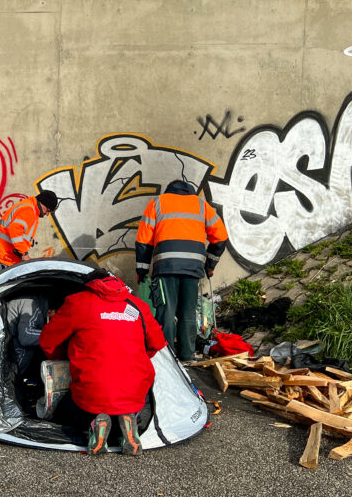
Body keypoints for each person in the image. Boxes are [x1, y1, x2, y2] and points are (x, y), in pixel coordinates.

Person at [38, 270, 166, 456]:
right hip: (134, 388)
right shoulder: (138, 305)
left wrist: (65, 357)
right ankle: (129, 417)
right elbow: (157, 342)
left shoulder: (78, 301)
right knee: (133, 400)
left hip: (92, 388)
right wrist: (136, 357)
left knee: (65, 411)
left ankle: (95, 421)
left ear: (90, 285)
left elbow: (48, 341)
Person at [134, 179, 228, 362]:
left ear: (170, 190)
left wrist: (142, 270)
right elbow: (221, 238)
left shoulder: (157, 203)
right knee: (188, 311)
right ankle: (187, 355)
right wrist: (210, 265)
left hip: (166, 267)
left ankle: (167, 358)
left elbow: (143, 242)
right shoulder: (202, 205)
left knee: (166, 312)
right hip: (193, 268)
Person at [0, 190, 59, 279]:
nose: (47, 214)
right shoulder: (29, 210)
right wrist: (24, 254)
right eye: (48, 210)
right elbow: (15, 230)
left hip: (2, 256)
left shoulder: (29, 207)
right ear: (42, 203)